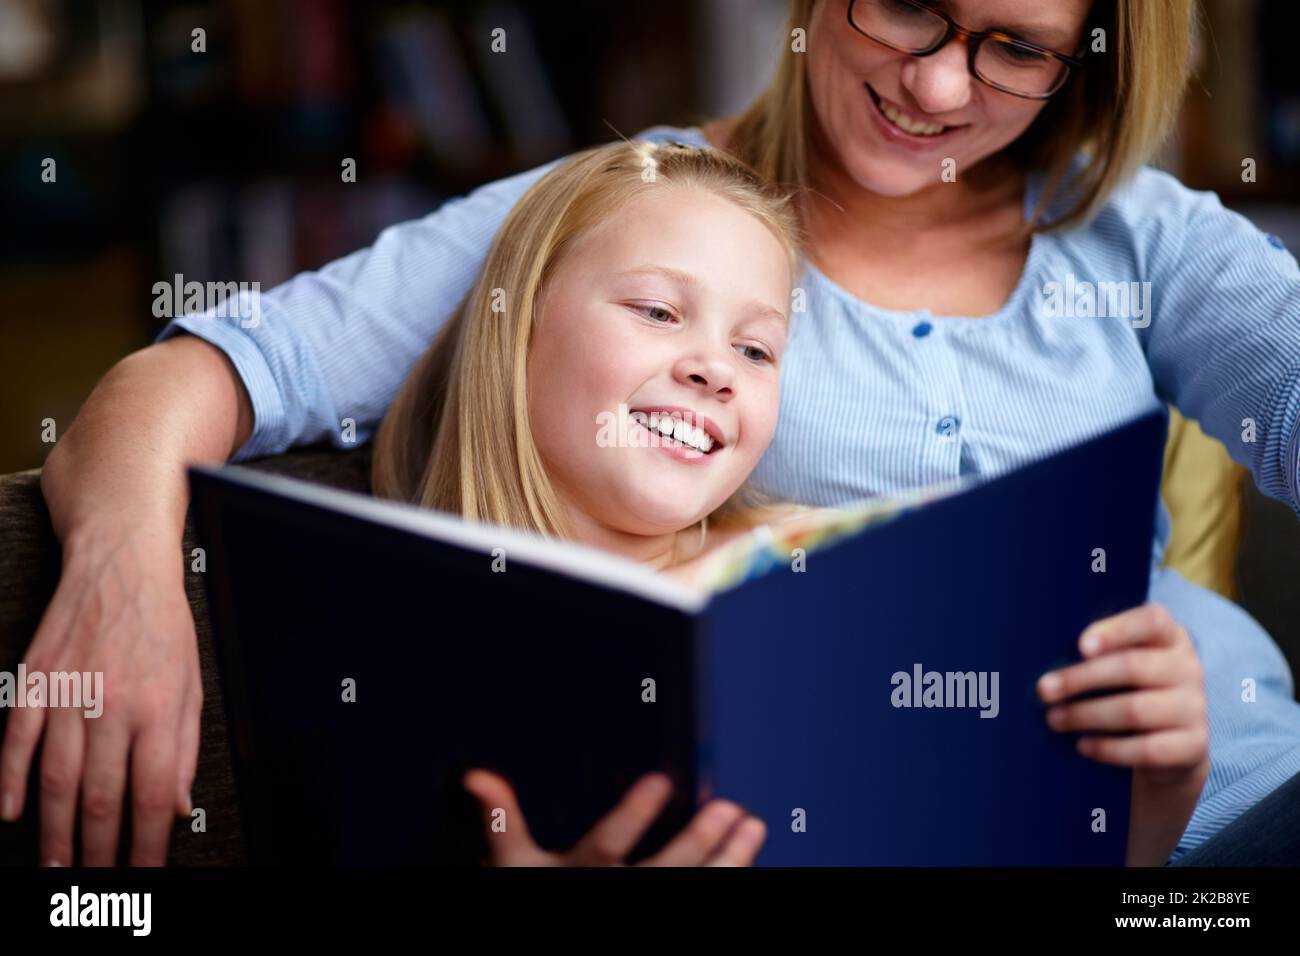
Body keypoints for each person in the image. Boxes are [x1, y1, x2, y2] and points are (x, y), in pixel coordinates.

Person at [7, 0, 1298, 867]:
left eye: (1017, 47)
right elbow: (224, 368)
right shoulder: (629, 220)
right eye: (909, 0)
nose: (938, 80)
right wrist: (127, 570)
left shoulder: (1142, 234)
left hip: (1220, 794)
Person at [376, 138, 1207, 867]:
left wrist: (1159, 779)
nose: (715, 368)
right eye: (658, 311)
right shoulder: (400, 629)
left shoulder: (828, 572)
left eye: (755, 347)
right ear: (517, 324)